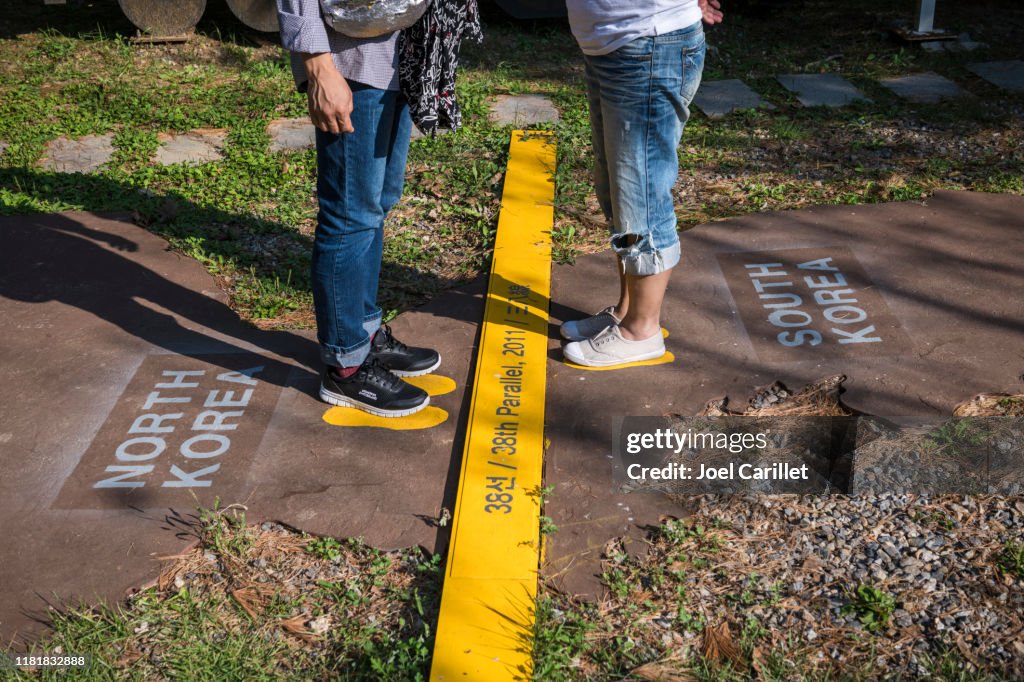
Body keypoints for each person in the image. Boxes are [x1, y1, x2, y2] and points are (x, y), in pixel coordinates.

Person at [276, 0, 440, 417]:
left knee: (376, 205)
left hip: (396, 51)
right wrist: (318, 66)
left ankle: (364, 336)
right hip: (347, 62)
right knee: (349, 216)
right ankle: (345, 367)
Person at [561, 0, 724, 367]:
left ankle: (642, 331)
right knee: (618, 192)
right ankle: (627, 311)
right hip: (611, 45)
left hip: (650, 45)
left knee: (641, 195)